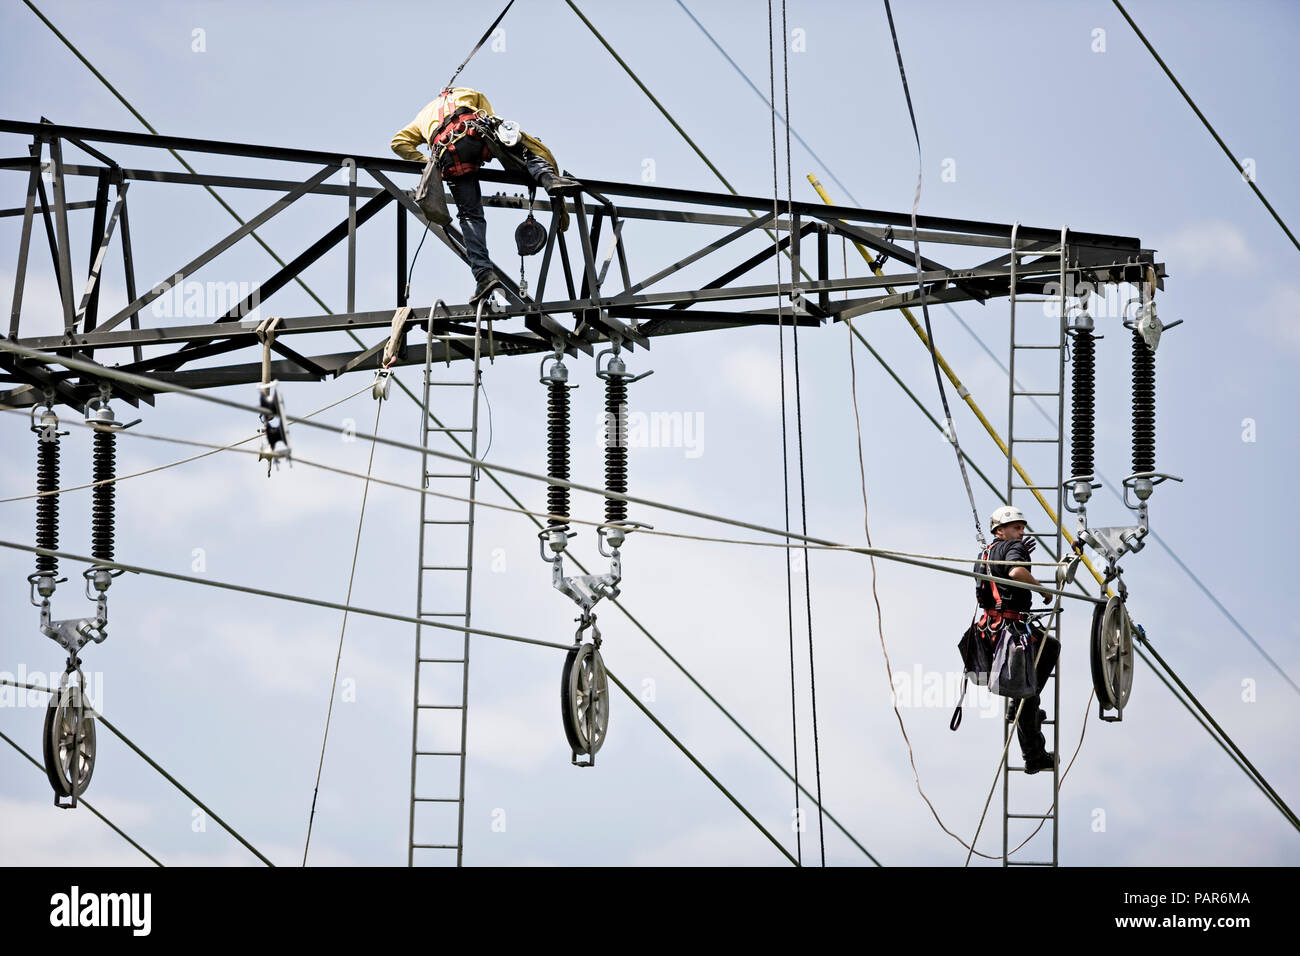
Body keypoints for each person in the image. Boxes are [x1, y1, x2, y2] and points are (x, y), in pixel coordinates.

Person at [391, 87, 579, 302]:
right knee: (522, 150)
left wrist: (429, 164)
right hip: (475, 132)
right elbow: (491, 118)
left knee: (470, 216)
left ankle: (484, 276)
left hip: (448, 154)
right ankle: (548, 178)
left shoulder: (421, 117)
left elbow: (398, 143)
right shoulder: (467, 91)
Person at [974, 505, 1059, 775]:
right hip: (1011, 630)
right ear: (1000, 530)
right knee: (1029, 692)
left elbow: (997, 579)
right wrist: (1043, 590)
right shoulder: (1015, 549)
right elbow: (1015, 573)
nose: (1021, 532)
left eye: (1022, 528)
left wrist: (1017, 554)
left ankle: (1018, 709)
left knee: (1049, 650)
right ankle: (1033, 755)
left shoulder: (985, 553)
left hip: (991, 630)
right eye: (1016, 528)